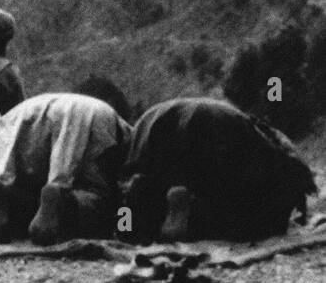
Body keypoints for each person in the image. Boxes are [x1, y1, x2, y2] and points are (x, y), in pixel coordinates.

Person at [119, 97, 316, 242]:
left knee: (145, 187)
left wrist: (124, 222)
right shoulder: (273, 145)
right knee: (235, 204)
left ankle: (135, 228)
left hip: (156, 117)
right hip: (221, 123)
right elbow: (266, 176)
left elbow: (132, 177)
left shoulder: (256, 128)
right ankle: (192, 216)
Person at [0, 93, 132, 245]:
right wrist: (124, 224)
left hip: (21, 113)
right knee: (94, 193)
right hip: (91, 116)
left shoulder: (62, 98)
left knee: (19, 186)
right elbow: (122, 187)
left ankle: (4, 193)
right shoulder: (126, 131)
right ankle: (64, 200)